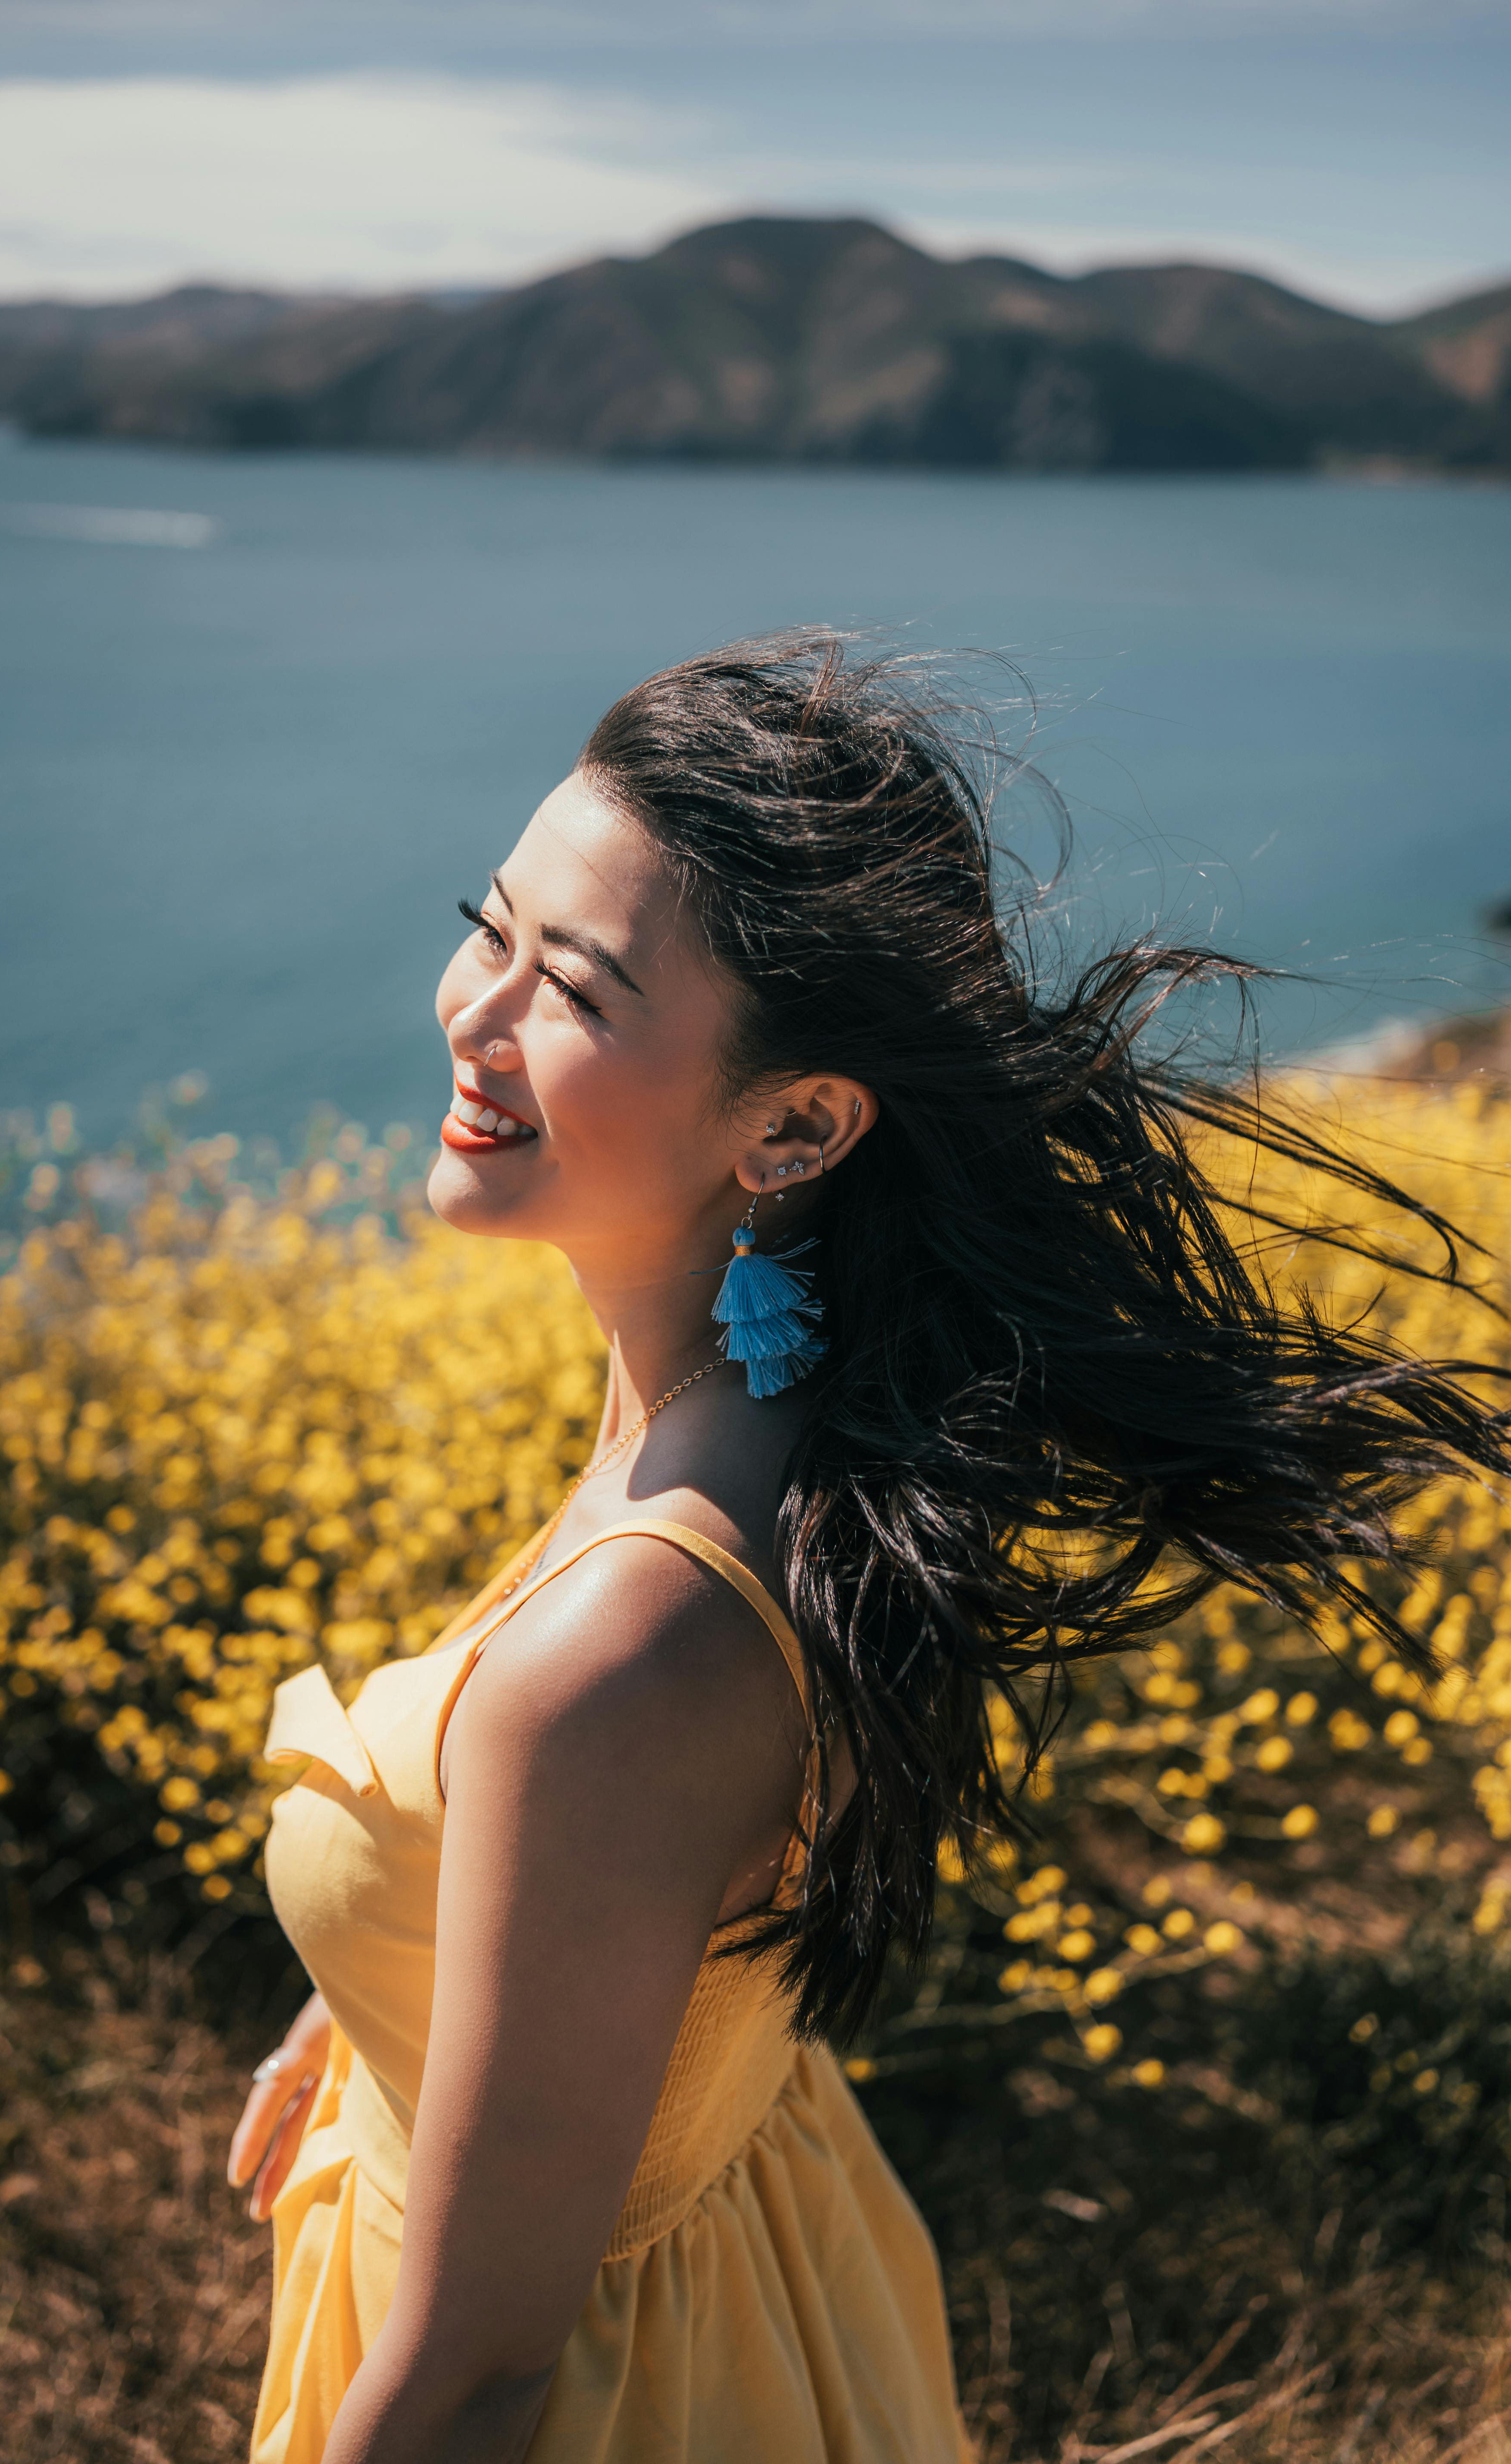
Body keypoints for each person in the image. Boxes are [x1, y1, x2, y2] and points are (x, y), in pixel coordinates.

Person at [226, 635, 1504, 2464]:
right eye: (482, 925)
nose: (473, 1012)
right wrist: (376, 2007)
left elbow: (480, 2377)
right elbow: (613, 1892)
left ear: (800, 1121)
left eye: (568, 986)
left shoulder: (637, 1651)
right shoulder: (793, 1423)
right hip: (760, 2270)